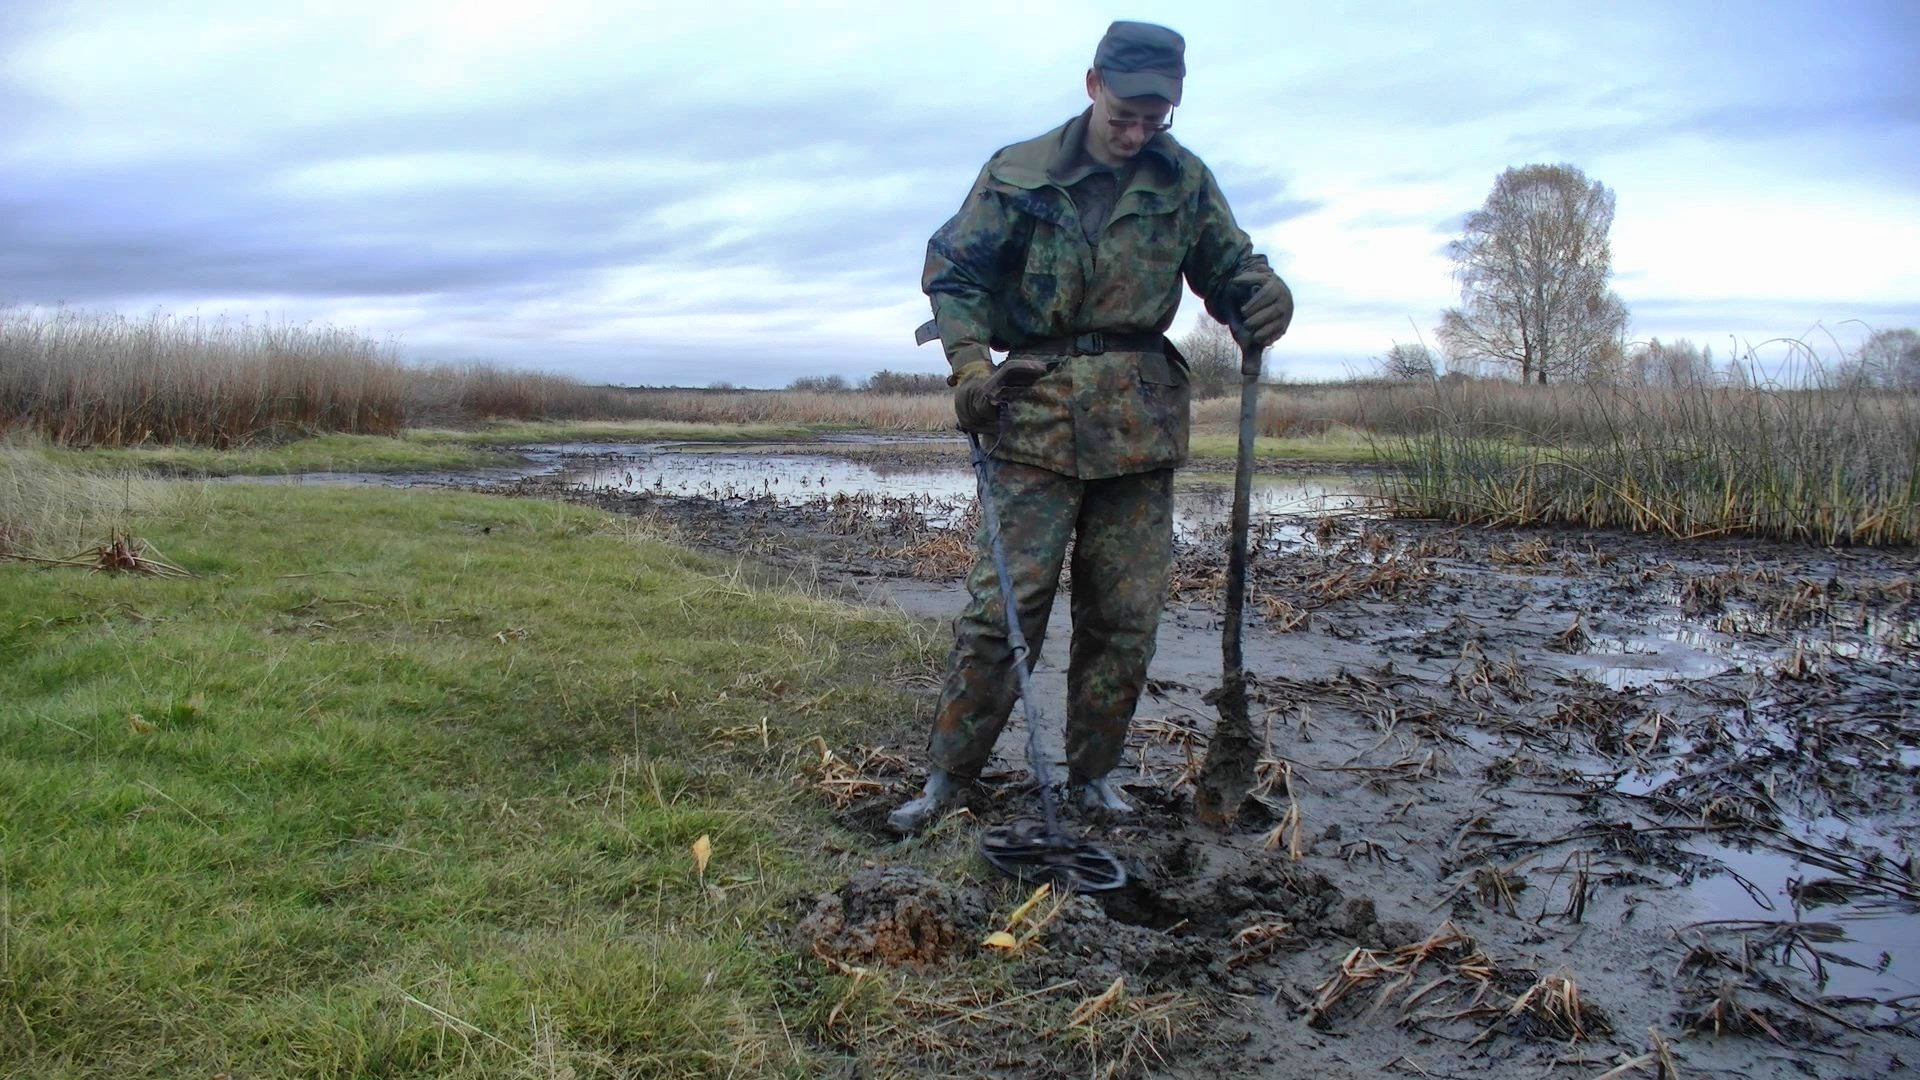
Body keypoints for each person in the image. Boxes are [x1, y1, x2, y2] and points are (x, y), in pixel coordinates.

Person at [888, 20, 1293, 834]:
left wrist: (1260, 293)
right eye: (1127, 113)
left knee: (1124, 617)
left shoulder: (1183, 180)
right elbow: (955, 273)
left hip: (1138, 424)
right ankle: (948, 779)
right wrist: (970, 371)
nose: (1140, 131)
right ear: (1092, 86)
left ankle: (1093, 778)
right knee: (1002, 614)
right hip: (1031, 411)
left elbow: (1226, 265)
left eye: (1157, 118)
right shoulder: (1018, 173)